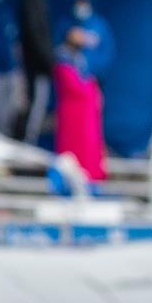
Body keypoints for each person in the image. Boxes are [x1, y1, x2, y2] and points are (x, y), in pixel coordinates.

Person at [51, 26, 106, 190]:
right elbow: (72, 85)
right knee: (73, 151)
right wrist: (90, 87)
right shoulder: (63, 56)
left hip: (84, 112)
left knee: (87, 149)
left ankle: (87, 180)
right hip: (73, 112)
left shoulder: (80, 57)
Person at [16, 0, 56, 143]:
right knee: (33, 104)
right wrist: (47, 61)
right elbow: (35, 34)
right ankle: (26, 142)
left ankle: (28, 140)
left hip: (37, 64)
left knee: (36, 105)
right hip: (34, 65)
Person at [57, 0, 115, 82]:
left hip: (93, 81)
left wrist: (88, 66)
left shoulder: (99, 25)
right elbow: (55, 52)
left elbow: (107, 54)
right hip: (68, 81)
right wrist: (69, 42)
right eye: (78, 1)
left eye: (84, 1)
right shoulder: (65, 24)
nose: (81, 5)